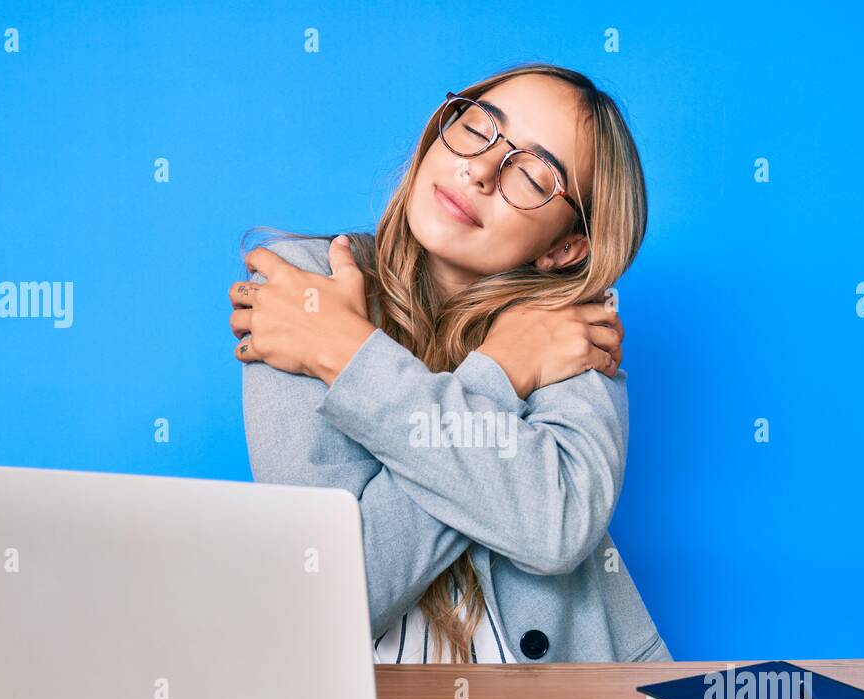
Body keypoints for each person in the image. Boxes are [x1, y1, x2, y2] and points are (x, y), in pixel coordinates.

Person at [229, 62, 671, 664]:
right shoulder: (305, 287)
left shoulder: (568, 329)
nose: (483, 168)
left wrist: (344, 353)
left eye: (536, 174)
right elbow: (331, 594)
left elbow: (556, 526)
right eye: (479, 125)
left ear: (566, 247)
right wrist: (502, 373)